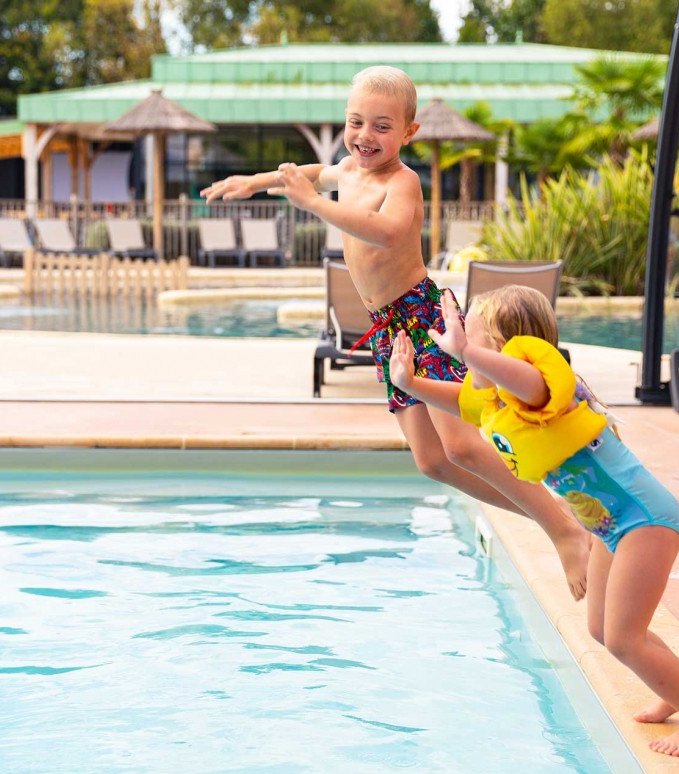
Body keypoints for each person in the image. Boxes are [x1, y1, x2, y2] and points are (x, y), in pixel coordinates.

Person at [200, 65, 591, 600]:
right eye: (355, 122)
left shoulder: (402, 182)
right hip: (388, 329)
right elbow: (313, 170)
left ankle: (563, 529)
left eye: (382, 127)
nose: (365, 136)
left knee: (462, 447)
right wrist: (258, 181)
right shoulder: (347, 170)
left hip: (423, 318)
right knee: (433, 463)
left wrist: (312, 204)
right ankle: (556, 519)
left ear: (409, 133)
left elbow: (386, 232)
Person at [388, 284, 679, 757]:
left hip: (644, 519)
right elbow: (461, 402)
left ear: (507, 349)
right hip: (613, 526)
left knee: (624, 638)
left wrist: (465, 351)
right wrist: (410, 384)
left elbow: (525, 380)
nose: (464, 357)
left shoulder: (544, 388)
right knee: (603, 630)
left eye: (474, 340)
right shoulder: (501, 402)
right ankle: (678, 688)